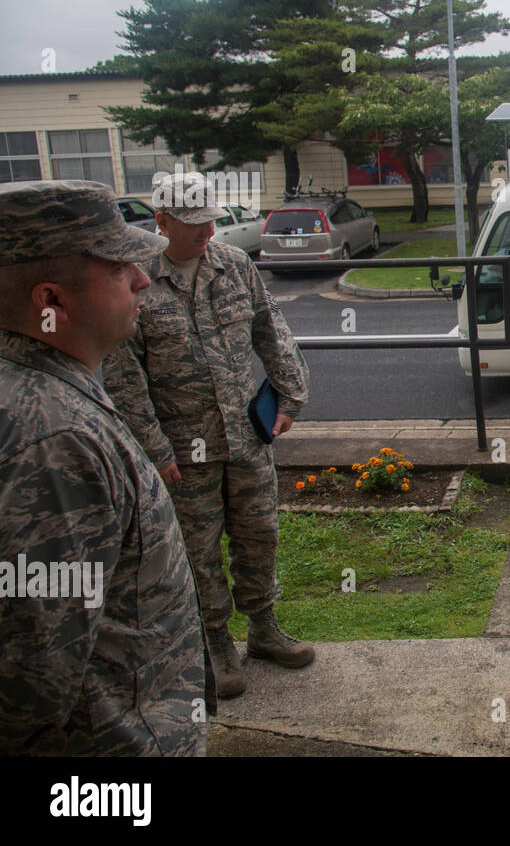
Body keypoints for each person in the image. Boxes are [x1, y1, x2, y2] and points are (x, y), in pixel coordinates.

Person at [0, 180, 207, 755]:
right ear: (52, 302)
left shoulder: (43, 386)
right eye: (119, 268)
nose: (143, 278)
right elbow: (28, 679)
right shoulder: (52, 436)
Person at [103, 176, 312, 700]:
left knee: (259, 533)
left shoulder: (233, 265)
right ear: (163, 221)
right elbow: (124, 375)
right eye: (194, 224)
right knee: (198, 549)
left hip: (246, 434)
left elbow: (270, 327)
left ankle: (264, 627)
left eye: (211, 222)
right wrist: (154, 448)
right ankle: (215, 640)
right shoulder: (137, 277)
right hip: (182, 449)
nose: (206, 232)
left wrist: (290, 395)